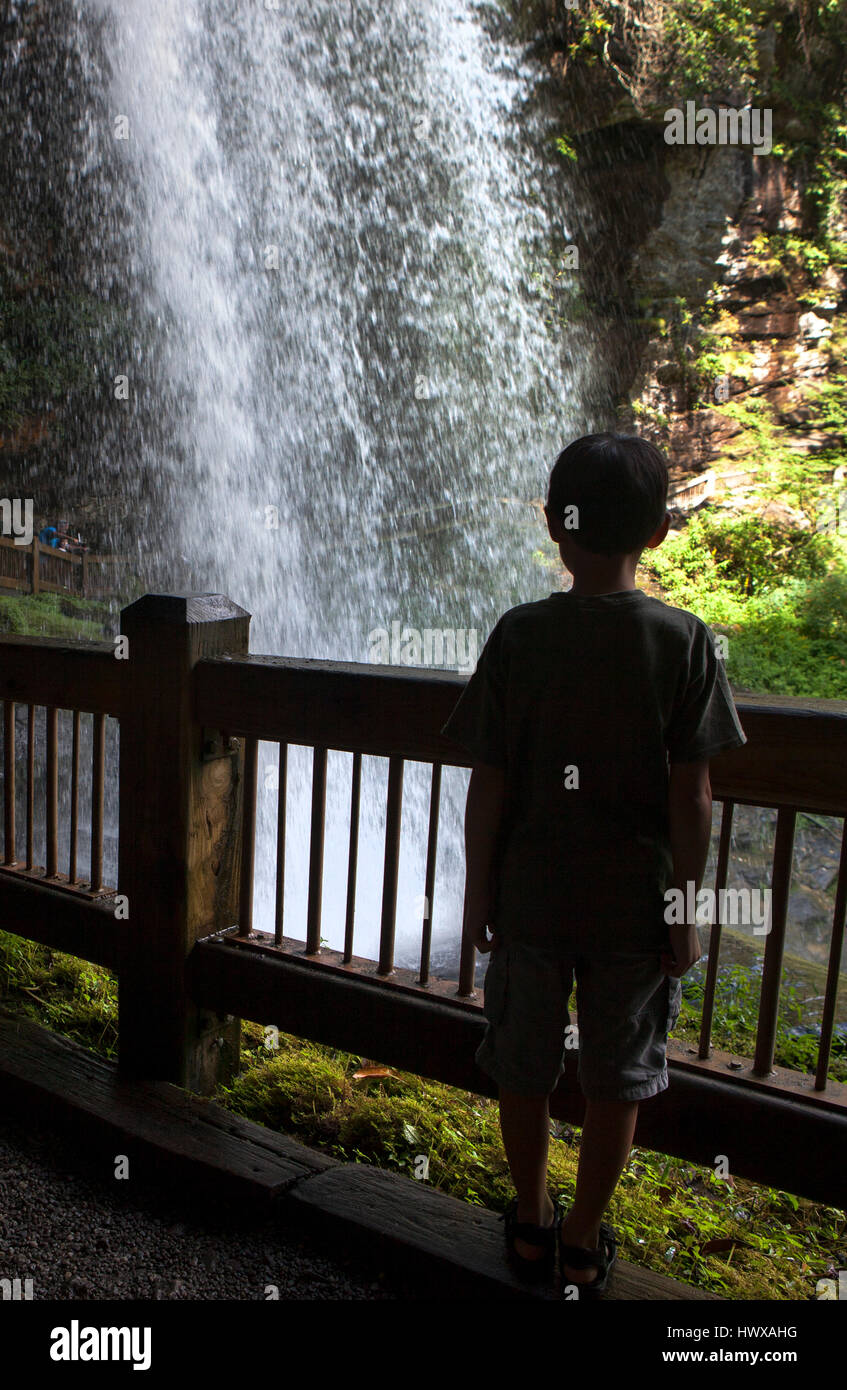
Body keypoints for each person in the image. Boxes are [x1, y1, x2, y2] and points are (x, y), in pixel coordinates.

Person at [440, 432, 747, 1297]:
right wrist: (688, 911)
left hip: (532, 900)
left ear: (554, 527)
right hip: (634, 912)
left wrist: (480, 897)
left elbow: (488, 783)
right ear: (656, 534)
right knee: (618, 1081)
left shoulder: (519, 634)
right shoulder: (683, 642)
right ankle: (582, 1238)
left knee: (524, 1067)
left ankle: (530, 1218)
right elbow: (692, 798)